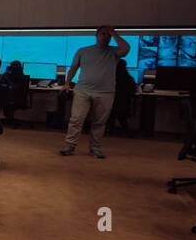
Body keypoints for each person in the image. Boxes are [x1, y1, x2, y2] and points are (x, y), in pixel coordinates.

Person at [59, 25, 131, 158]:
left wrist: (114, 33)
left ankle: (95, 148)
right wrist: (67, 83)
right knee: (76, 119)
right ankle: (70, 145)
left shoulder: (114, 52)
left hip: (106, 92)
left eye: (108, 35)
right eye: (102, 34)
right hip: (83, 90)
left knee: (99, 122)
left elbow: (126, 48)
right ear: (96, 36)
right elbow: (74, 68)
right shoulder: (83, 51)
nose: (105, 37)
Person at [108, 58, 138, 136]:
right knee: (122, 118)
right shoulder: (129, 78)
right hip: (124, 105)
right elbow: (133, 91)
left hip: (110, 104)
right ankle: (127, 133)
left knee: (111, 116)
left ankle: (109, 132)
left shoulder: (110, 78)